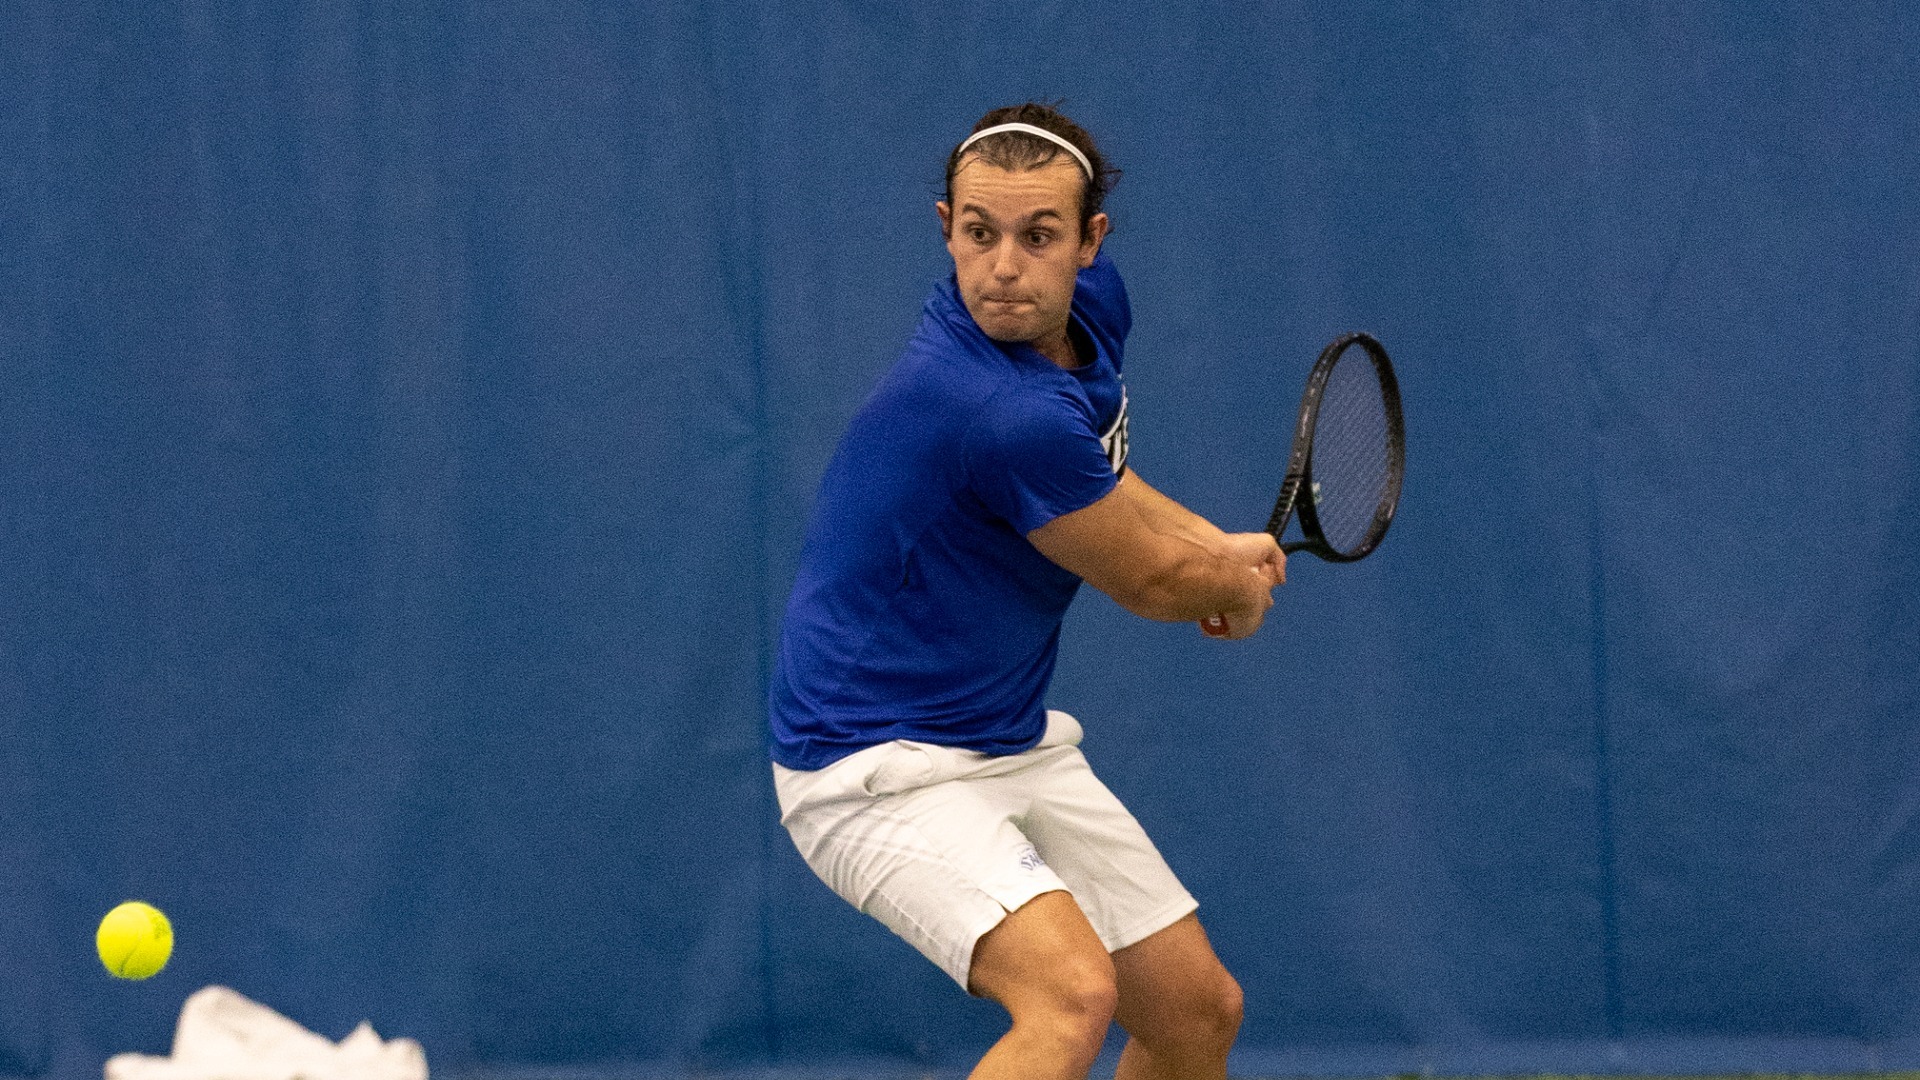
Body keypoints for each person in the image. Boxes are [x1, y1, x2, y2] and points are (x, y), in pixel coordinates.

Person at [768, 102, 1285, 1080]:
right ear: (946, 227)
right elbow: (1148, 579)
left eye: (1038, 235)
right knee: (1069, 995)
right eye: (979, 233)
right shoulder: (988, 406)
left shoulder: (1089, 319)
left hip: (1002, 738)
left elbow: (1106, 487)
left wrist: (1211, 547)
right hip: (866, 765)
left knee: (1194, 1013)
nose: (1003, 266)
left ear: (1091, 243)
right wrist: (1224, 580)